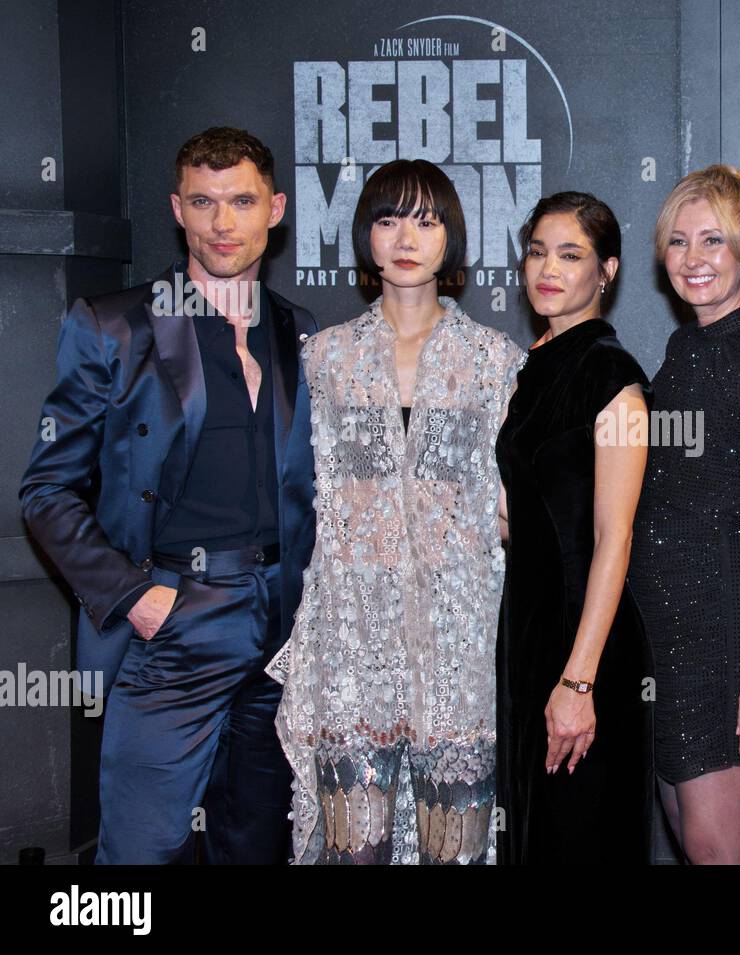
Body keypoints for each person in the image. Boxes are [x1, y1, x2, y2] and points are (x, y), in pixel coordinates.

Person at [19, 127, 319, 864]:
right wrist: (135, 598)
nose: (224, 222)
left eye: (242, 201)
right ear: (176, 209)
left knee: (257, 846)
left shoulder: (300, 331)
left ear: (275, 208)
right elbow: (47, 490)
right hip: (176, 621)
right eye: (204, 202)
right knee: (138, 856)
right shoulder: (115, 326)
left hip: (282, 628)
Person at [269, 159, 523, 864]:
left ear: (453, 236)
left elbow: (512, 506)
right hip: (351, 651)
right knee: (354, 853)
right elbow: (302, 498)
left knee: (456, 855)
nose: (405, 237)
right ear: (365, 235)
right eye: (387, 218)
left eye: (426, 219)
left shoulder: (494, 362)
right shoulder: (323, 359)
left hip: (461, 657)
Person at [627, 165, 740, 864]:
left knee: (716, 848)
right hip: (667, 636)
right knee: (688, 834)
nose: (694, 259)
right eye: (678, 242)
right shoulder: (681, 350)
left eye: (713, 240)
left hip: (723, 643)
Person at [495, 192, 653, 864]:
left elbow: (615, 538)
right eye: (537, 252)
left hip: (585, 642)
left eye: (571, 254)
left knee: (578, 838)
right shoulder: (531, 367)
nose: (548, 269)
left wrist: (579, 680)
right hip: (529, 635)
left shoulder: (613, 378)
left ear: (607, 270)